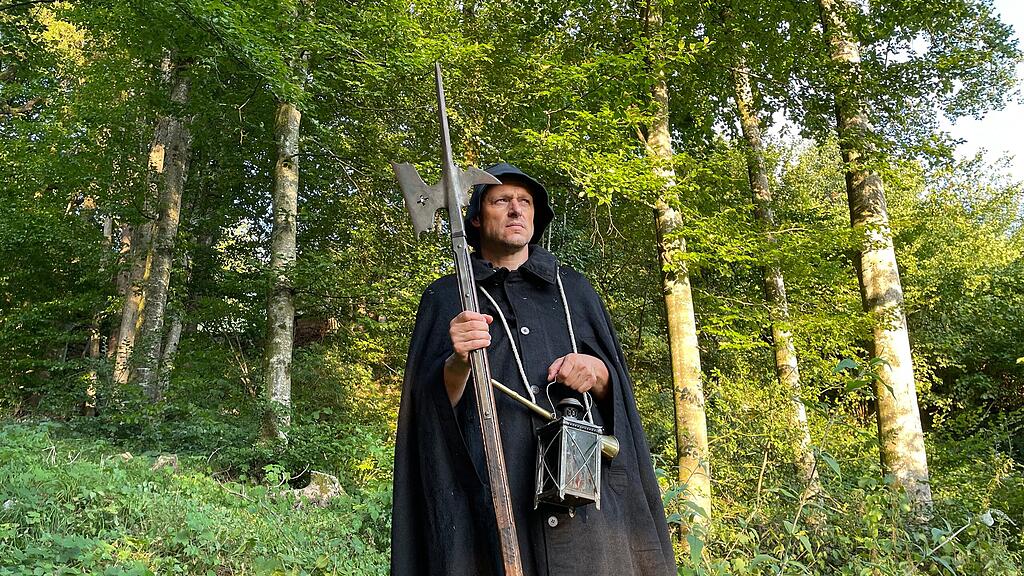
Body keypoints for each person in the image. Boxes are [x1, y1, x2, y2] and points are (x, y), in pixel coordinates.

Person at [392, 163, 676, 576]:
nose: (515, 210)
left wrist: (596, 372)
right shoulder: (444, 296)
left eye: (524, 202)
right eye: (501, 200)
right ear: (474, 218)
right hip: (493, 498)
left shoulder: (574, 289)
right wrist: (458, 362)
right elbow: (428, 414)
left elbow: (618, 394)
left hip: (584, 503)